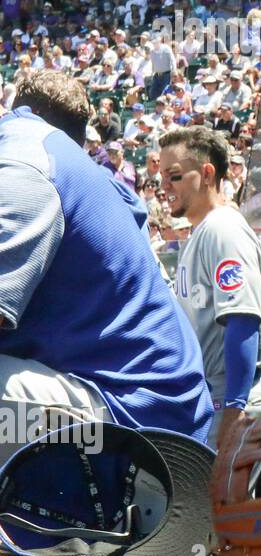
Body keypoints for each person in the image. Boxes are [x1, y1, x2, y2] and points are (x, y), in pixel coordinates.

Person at [0, 71, 211, 466]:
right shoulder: (96, 179)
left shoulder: (25, 155)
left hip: (132, 418)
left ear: (20, 109)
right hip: (173, 413)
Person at [159, 127, 261, 424]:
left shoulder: (223, 228)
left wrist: (235, 407)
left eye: (174, 176)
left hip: (233, 399)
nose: (164, 186)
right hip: (215, 395)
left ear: (207, 174)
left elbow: (243, 318)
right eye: (161, 177)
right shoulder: (202, 232)